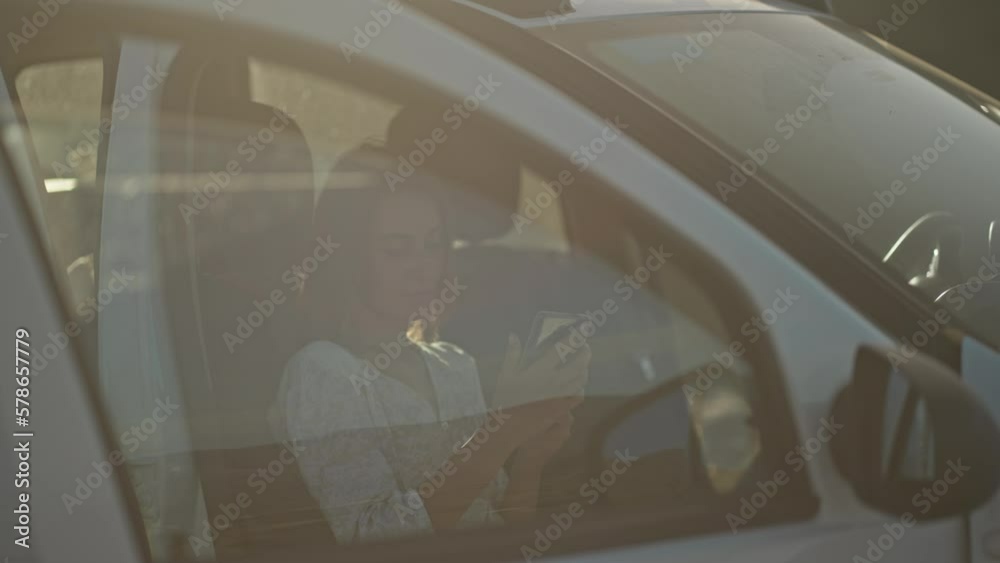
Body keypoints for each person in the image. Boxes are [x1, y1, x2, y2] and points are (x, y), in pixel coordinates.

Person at [270, 151, 590, 544]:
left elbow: (504, 529)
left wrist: (529, 461)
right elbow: (372, 540)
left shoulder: (455, 365)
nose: (423, 267)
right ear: (349, 258)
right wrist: (503, 431)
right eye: (396, 249)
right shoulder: (323, 372)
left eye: (433, 244)